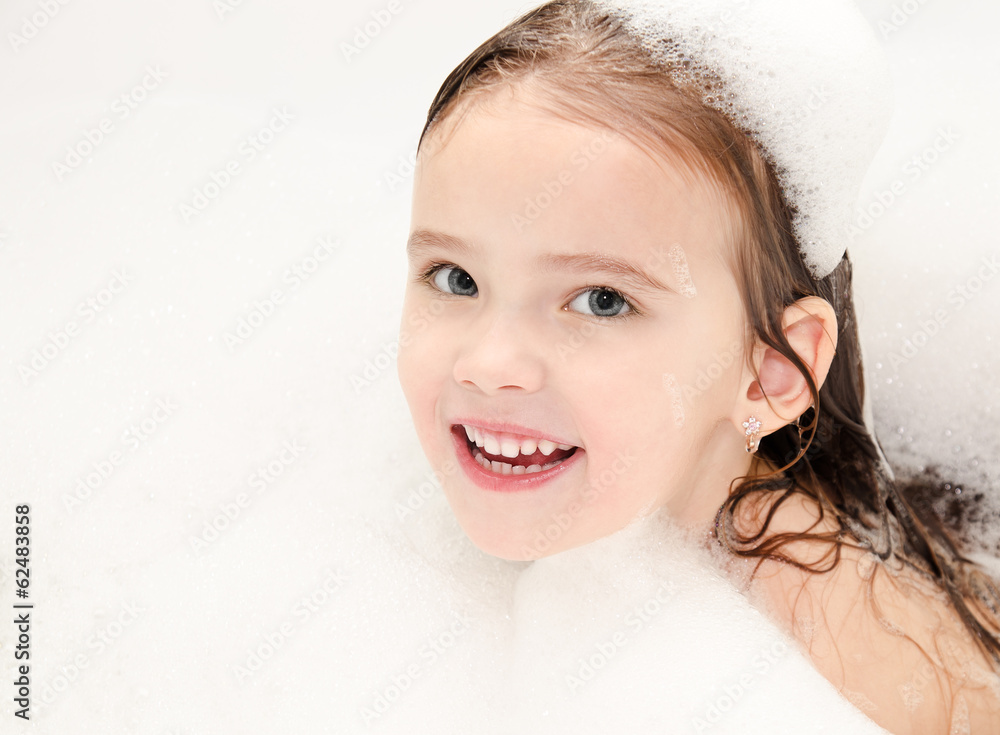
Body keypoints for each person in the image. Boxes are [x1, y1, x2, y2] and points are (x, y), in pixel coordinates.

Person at [395, 1, 1000, 731]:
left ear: (772, 372)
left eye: (601, 300)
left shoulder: (831, 611)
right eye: (456, 278)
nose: (489, 365)